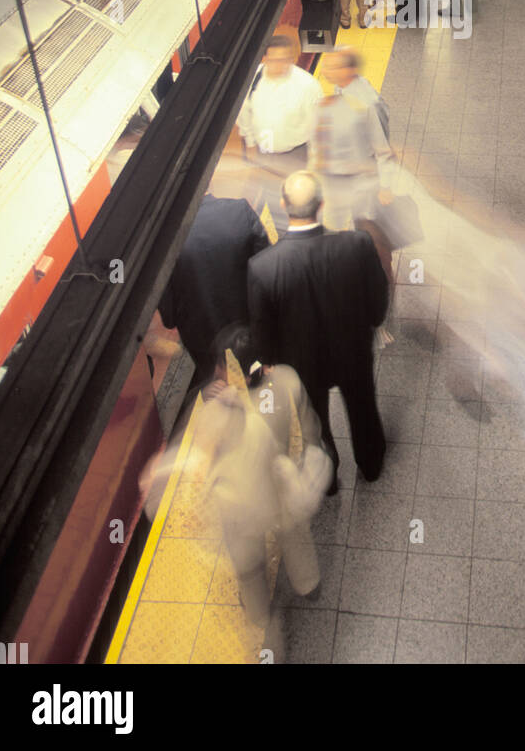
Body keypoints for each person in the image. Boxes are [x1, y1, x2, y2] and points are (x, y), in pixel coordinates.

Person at [248, 171, 389, 490]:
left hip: (303, 362)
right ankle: (370, 465)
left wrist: (271, 361)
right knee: (363, 406)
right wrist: (370, 325)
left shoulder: (263, 266)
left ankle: (327, 476)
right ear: (322, 205)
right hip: (353, 349)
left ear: (283, 205)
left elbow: (262, 328)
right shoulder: (357, 244)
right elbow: (378, 297)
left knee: (315, 421)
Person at [190, 326, 330, 632]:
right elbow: (311, 432)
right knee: (294, 536)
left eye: (221, 366)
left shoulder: (220, 408)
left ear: (231, 372)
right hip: (279, 487)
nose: (216, 370)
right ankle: (308, 584)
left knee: (250, 565)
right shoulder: (286, 379)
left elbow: (204, 460)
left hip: (243, 504)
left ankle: (257, 610)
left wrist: (212, 401)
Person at [158, 193, 269, 389]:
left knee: (215, 385)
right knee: (255, 373)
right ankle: (258, 389)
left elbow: (169, 314)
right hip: (248, 321)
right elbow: (266, 271)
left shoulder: (165, 238)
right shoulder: (239, 210)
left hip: (201, 335)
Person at [309, 79, 395, 232]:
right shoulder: (322, 110)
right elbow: (315, 148)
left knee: (362, 224)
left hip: (360, 180)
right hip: (335, 183)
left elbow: (382, 150)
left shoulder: (366, 108)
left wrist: (385, 186)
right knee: (336, 227)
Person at [237, 35, 323, 178]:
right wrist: (250, 144)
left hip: (295, 153)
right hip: (264, 147)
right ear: (264, 59)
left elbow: (318, 125)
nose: (280, 65)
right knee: (268, 184)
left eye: (285, 59)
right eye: (274, 60)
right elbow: (244, 111)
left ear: (293, 59)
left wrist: (315, 161)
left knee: (296, 193)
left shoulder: (307, 86)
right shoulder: (252, 79)